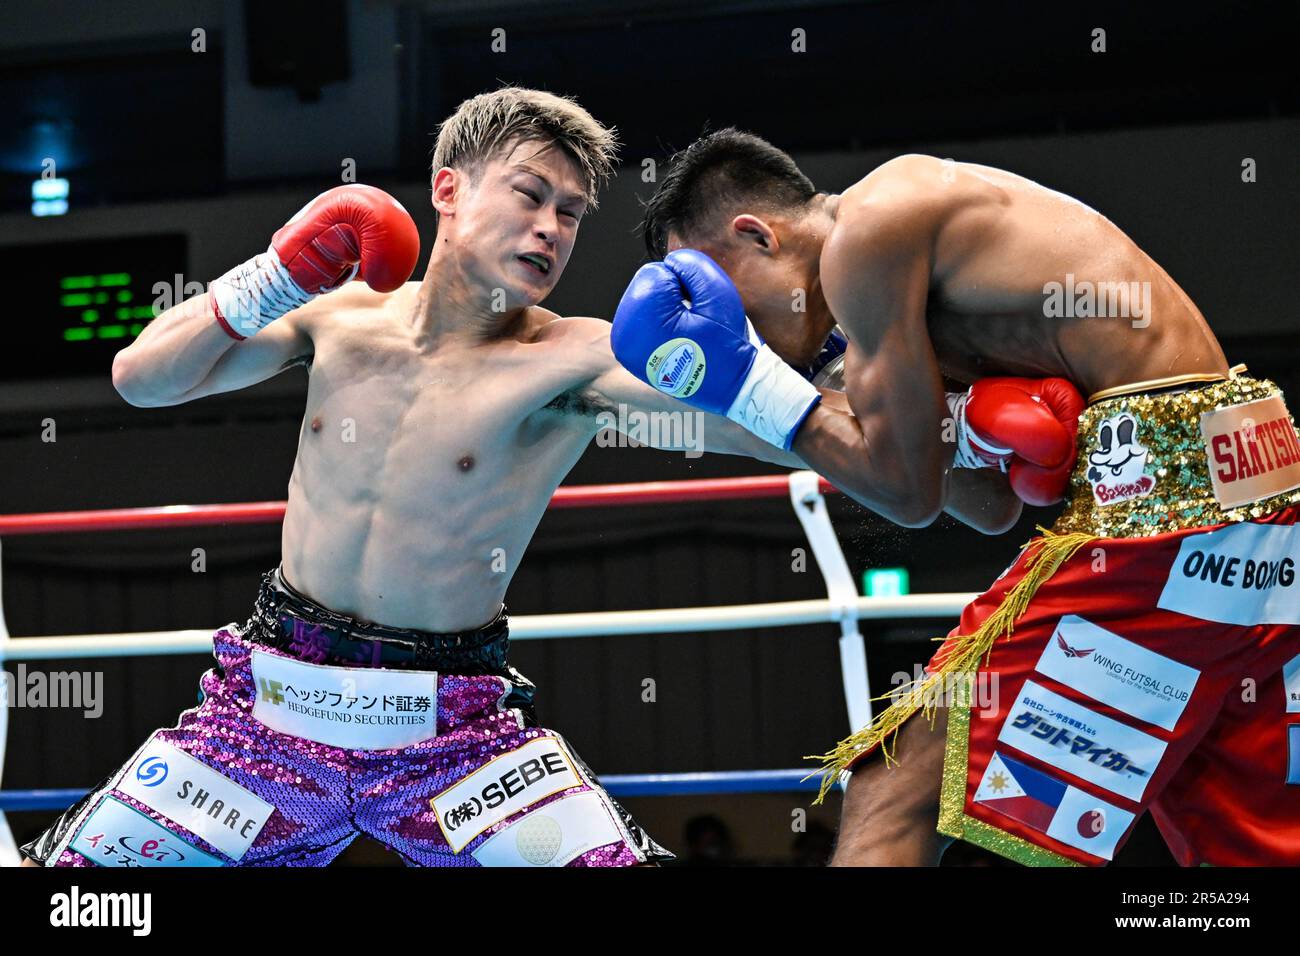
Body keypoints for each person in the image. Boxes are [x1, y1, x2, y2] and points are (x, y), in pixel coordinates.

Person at [21, 89, 818, 869]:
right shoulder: (336, 315)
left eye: (569, 214)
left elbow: (785, 441)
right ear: (449, 189)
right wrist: (275, 277)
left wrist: (751, 372)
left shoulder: (578, 357)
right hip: (262, 716)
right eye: (530, 195)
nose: (549, 228)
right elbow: (142, 377)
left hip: (457, 738)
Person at [612, 129, 1300, 866]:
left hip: (1163, 505)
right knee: (1232, 836)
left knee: (892, 784)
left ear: (759, 236)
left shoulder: (869, 230)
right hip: (1255, 496)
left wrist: (753, 388)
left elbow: (905, 496)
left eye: (728, 300)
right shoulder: (892, 302)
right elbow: (985, 505)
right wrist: (951, 423)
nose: (737, 330)